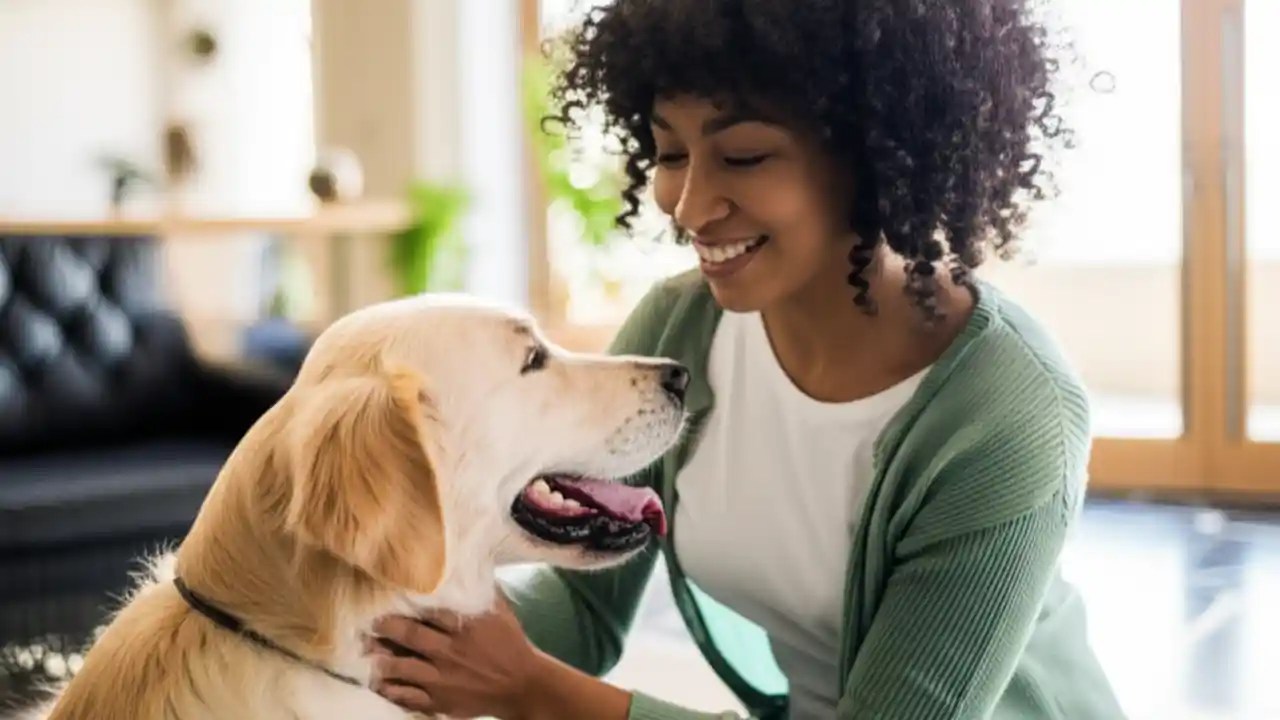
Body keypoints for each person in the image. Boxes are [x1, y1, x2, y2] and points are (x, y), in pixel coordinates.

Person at [364, 0, 1128, 718]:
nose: (690, 206)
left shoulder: (1006, 416)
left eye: (745, 156)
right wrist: (381, 627)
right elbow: (583, 615)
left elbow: (537, 674)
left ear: (872, 153)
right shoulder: (679, 329)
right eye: (670, 152)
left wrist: (534, 691)